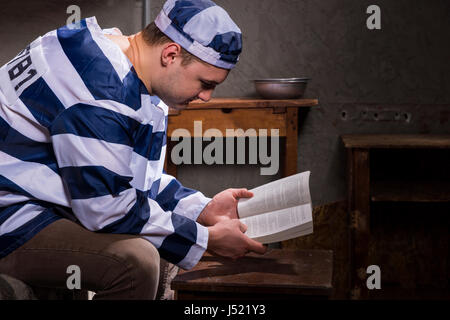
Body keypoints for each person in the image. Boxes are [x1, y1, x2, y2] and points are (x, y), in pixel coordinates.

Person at [0, 0, 266, 300]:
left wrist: (201, 209)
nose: (206, 96)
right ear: (170, 54)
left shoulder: (111, 53)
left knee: (159, 239)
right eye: (205, 83)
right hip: (9, 216)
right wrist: (205, 240)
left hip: (30, 201)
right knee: (136, 261)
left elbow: (131, 177)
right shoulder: (102, 91)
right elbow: (106, 209)